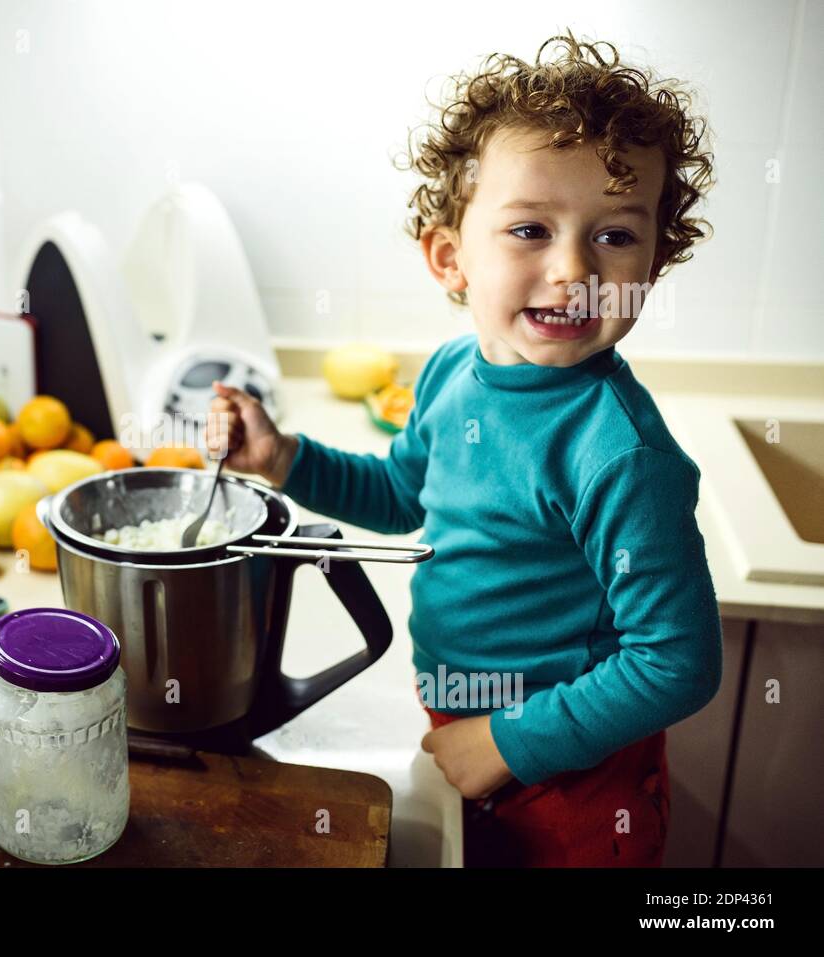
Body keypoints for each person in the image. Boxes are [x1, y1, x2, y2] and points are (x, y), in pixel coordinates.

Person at [206, 31, 720, 866]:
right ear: (451, 258)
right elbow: (403, 492)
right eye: (529, 230)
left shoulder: (621, 456)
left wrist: (506, 742)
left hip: (576, 786)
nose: (571, 270)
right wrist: (286, 459)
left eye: (615, 237)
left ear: (653, 264)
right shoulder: (452, 372)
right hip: (471, 731)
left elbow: (677, 663)